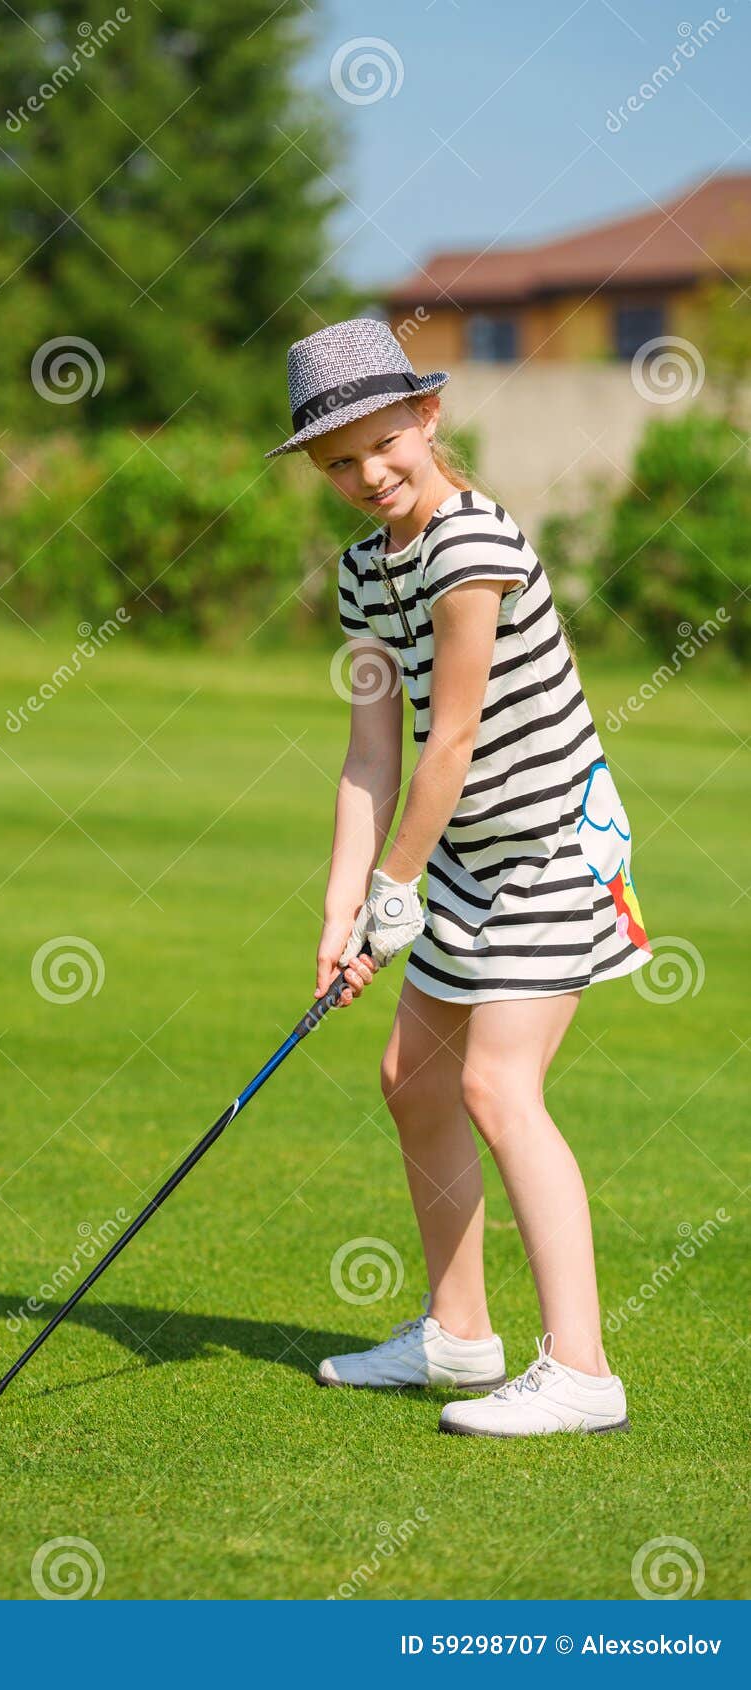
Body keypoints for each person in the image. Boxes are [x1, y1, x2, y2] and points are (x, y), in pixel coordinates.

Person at [263, 319, 652, 1437]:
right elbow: (373, 749)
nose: (365, 474)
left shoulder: (468, 544)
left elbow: (455, 743)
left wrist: (394, 887)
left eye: (381, 444)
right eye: (336, 461)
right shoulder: (362, 570)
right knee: (412, 1081)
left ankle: (580, 1370)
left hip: (548, 847)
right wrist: (343, 904)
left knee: (495, 1088)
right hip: (467, 854)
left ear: (425, 417)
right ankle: (455, 1333)